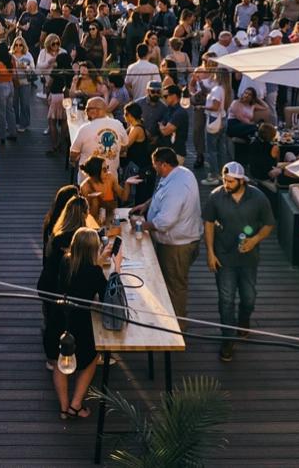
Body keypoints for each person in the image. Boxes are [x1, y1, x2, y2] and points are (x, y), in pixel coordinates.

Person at [202, 161, 275, 361]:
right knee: (226, 300)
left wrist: (255, 240)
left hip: (249, 257)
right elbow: (208, 223)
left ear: (241, 180)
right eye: (225, 180)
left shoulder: (258, 197)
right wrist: (210, 252)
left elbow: (269, 224)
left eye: (231, 181)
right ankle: (227, 340)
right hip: (224, 256)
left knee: (249, 297)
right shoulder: (216, 196)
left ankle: (244, 321)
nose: (226, 184)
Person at [47, 227, 121, 420]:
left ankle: (64, 408)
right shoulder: (94, 271)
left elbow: (80, 272)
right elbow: (108, 297)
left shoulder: (65, 262)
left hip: (58, 319)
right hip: (80, 323)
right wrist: (116, 268)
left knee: (59, 361)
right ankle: (76, 405)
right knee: (90, 360)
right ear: (93, 249)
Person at [131, 147, 202, 318]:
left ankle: (177, 327)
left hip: (176, 247)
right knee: (172, 282)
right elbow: (162, 195)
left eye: (155, 165)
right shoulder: (182, 173)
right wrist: (147, 204)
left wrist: (139, 225)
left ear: (163, 165)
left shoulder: (177, 187)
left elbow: (165, 222)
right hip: (182, 241)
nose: (154, 168)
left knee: (175, 286)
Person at [69, 96, 128, 180]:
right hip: (110, 180)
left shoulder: (84, 129)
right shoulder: (118, 124)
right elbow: (125, 146)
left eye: (87, 109)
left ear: (96, 110)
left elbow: (73, 154)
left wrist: (73, 160)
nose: (85, 111)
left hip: (88, 181)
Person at [79, 156, 126, 225]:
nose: (107, 171)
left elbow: (123, 196)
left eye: (107, 167)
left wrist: (128, 184)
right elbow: (88, 215)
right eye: (104, 170)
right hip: (93, 223)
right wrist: (95, 200)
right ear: (96, 172)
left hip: (110, 219)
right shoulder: (85, 187)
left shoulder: (110, 178)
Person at [158, 85, 190, 162]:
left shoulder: (179, 112)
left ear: (174, 96)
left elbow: (165, 131)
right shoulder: (169, 109)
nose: (163, 99)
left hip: (176, 154)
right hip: (168, 152)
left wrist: (160, 125)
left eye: (165, 96)